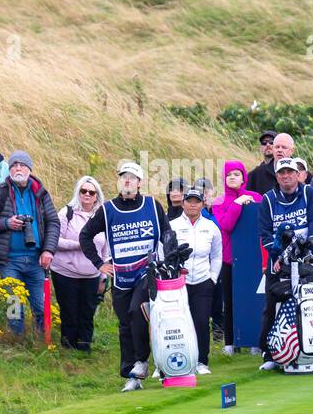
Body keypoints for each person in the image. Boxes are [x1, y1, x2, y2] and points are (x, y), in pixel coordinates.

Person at [79, 161, 168, 390]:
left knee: (137, 312)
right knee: (125, 324)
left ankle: (144, 362)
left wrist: (168, 260)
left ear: (139, 183)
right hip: (120, 277)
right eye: (123, 177)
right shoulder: (108, 210)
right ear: (119, 181)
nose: (127, 181)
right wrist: (99, 264)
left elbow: (167, 234)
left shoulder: (152, 205)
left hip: (146, 274)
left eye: (132, 177)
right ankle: (132, 375)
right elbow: (85, 236)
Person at [0, 151, 58, 338]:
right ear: (9, 169)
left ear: (29, 169)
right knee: (14, 306)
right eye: (14, 165)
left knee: (40, 305)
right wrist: (7, 223)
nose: (18, 168)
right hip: (9, 261)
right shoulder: (0, 192)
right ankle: (15, 342)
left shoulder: (41, 193)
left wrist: (48, 250)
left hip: (37, 260)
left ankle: (42, 342)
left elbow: (53, 222)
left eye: (22, 165)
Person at [256, 157, 313, 369]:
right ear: (277, 176)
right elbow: (265, 233)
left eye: (290, 172)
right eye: (282, 173)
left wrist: (310, 250)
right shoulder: (268, 199)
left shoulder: (308, 193)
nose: (286, 176)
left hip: (305, 256)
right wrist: (277, 257)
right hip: (278, 258)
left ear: (297, 174)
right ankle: (269, 352)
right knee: (272, 304)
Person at [50, 175, 106, 352]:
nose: (87, 194)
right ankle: (68, 346)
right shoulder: (67, 213)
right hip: (65, 272)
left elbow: (107, 249)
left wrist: (103, 276)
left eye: (91, 192)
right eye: (84, 191)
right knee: (69, 311)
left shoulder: (102, 216)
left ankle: (84, 346)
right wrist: (79, 244)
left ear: (97, 195)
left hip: (92, 274)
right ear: (78, 192)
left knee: (87, 311)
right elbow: (55, 240)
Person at [211, 160, 261, 356]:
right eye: (229, 174)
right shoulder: (219, 202)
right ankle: (230, 343)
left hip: (251, 257)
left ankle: (255, 340)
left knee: (253, 299)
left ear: (243, 178)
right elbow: (227, 225)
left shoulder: (256, 198)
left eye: (236, 174)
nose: (232, 177)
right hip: (229, 259)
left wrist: (246, 201)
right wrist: (237, 204)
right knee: (230, 301)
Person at [170, 187, 223, 373]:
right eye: (189, 201)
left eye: (197, 201)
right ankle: (176, 360)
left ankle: (201, 362)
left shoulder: (210, 227)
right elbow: (163, 252)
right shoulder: (173, 225)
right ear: (183, 203)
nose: (193, 204)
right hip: (178, 283)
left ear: (202, 204)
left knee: (201, 321)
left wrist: (213, 278)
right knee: (178, 322)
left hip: (202, 281)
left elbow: (217, 255)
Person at [245, 130, 278, 198]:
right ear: (260, 148)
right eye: (264, 143)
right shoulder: (255, 174)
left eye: (271, 142)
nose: (268, 144)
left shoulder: (288, 168)